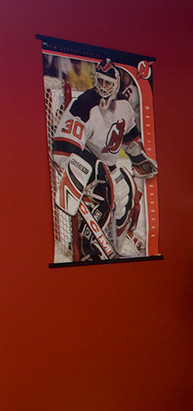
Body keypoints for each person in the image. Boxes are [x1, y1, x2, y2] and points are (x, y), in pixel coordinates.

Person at [50, 59, 157, 260]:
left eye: (108, 83)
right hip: (87, 158)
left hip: (109, 163)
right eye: (100, 81)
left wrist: (138, 157)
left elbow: (129, 136)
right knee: (104, 190)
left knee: (127, 193)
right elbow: (65, 143)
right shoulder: (85, 102)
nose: (103, 87)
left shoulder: (124, 106)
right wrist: (71, 163)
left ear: (116, 83)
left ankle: (118, 243)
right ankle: (87, 249)